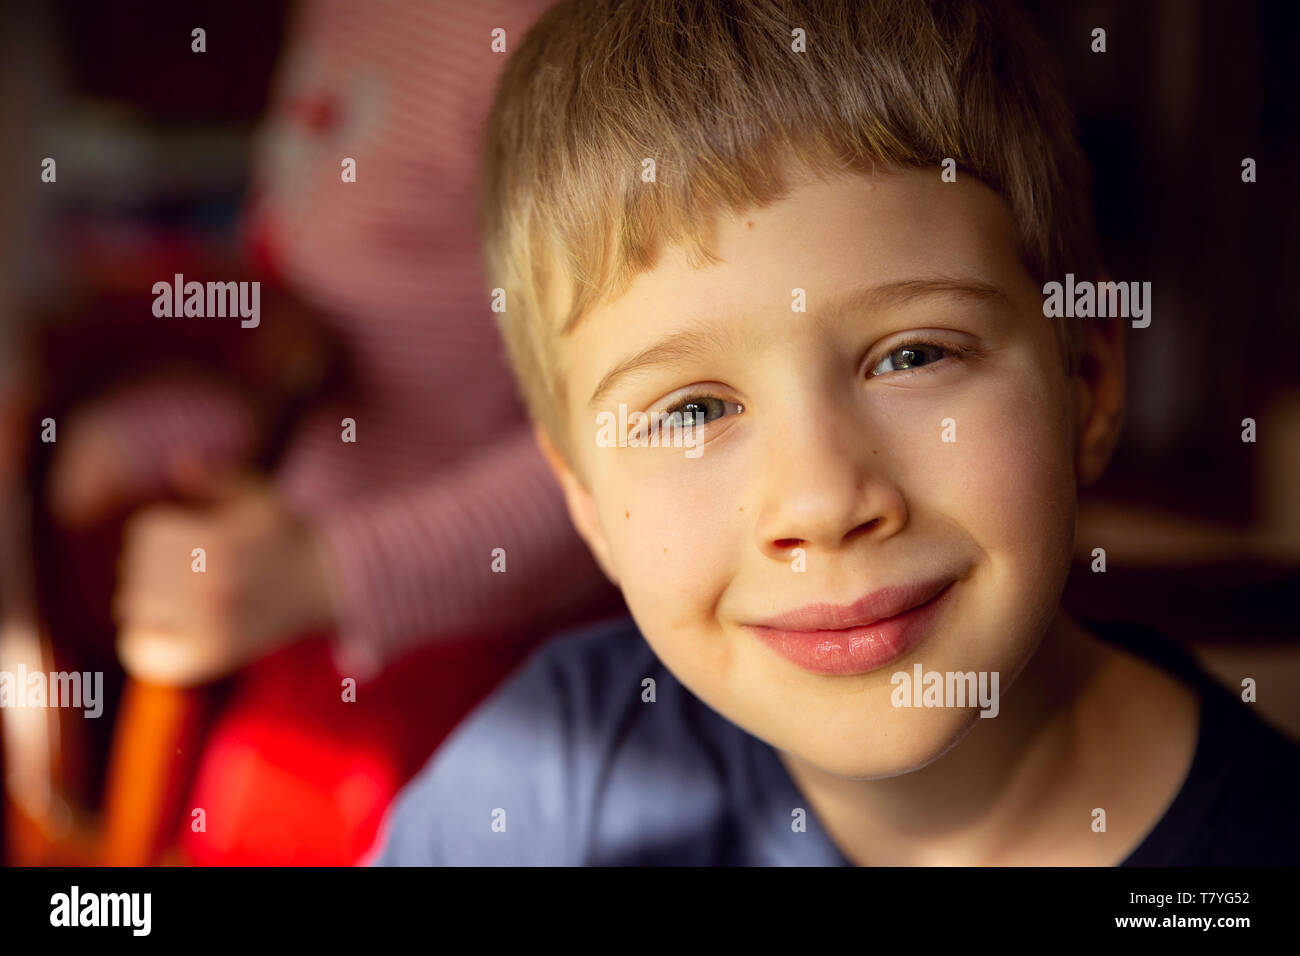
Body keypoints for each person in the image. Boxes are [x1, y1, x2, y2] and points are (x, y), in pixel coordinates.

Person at [373, 0, 1300, 865]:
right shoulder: (544, 786)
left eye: (913, 357)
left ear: (1085, 386)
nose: (822, 503)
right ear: (585, 498)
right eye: (693, 409)